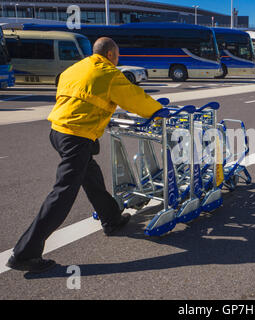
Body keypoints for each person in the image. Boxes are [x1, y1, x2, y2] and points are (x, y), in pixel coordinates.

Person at [6, 37, 163, 273]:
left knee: (90, 174)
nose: (118, 60)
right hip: (76, 137)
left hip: (58, 131)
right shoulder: (109, 73)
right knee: (63, 194)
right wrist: (160, 112)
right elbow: (135, 99)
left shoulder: (76, 67)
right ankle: (25, 253)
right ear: (110, 54)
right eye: (117, 56)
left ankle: (111, 217)